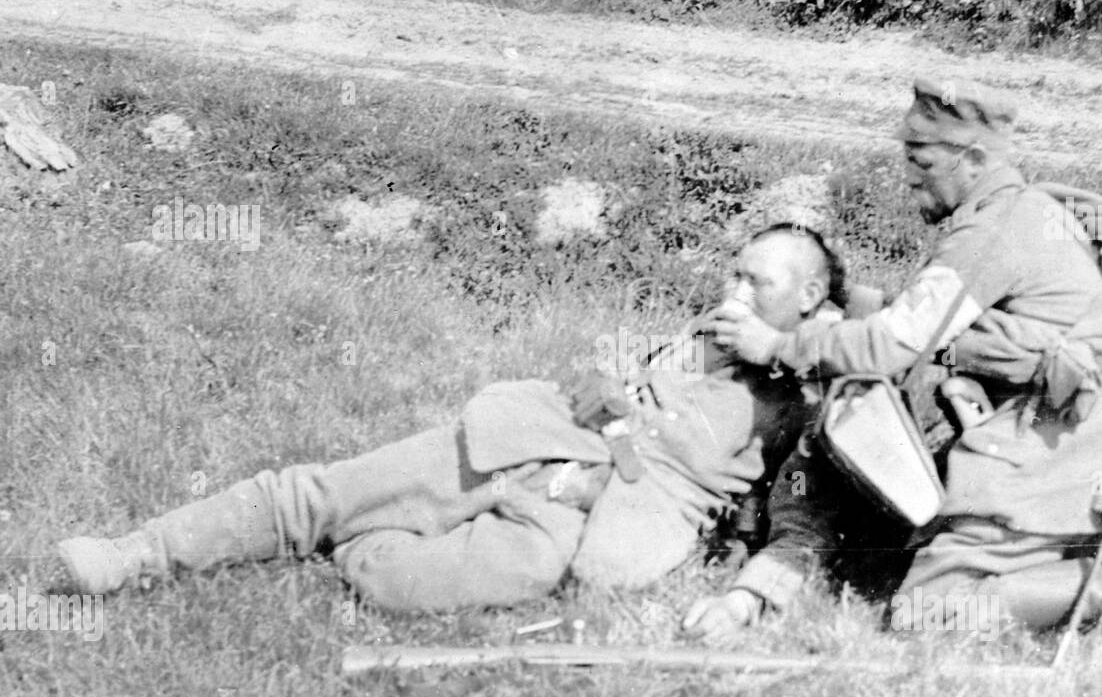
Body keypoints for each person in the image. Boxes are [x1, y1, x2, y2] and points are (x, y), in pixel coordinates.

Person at [685, 77, 1102, 668]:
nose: (909, 175)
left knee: (924, 613)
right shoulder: (1015, 213)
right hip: (1072, 434)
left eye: (923, 160)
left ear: (975, 159)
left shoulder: (991, 230)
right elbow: (941, 326)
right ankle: (1077, 565)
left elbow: (897, 343)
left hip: (1058, 443)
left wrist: (780, 344)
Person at [57, 225, 844, 612]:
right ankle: (137, 554)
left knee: (399, 582)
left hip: (585, 520)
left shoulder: (818, 395)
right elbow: (614, 384)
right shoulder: (709, 334)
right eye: (734, 275)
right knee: (321, 491)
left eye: (759, 284)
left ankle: (361, 544)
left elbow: (802, 519)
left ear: (810, 297)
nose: (734, 295)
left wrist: (747, 596)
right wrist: (609, 393)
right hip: (533, 444)